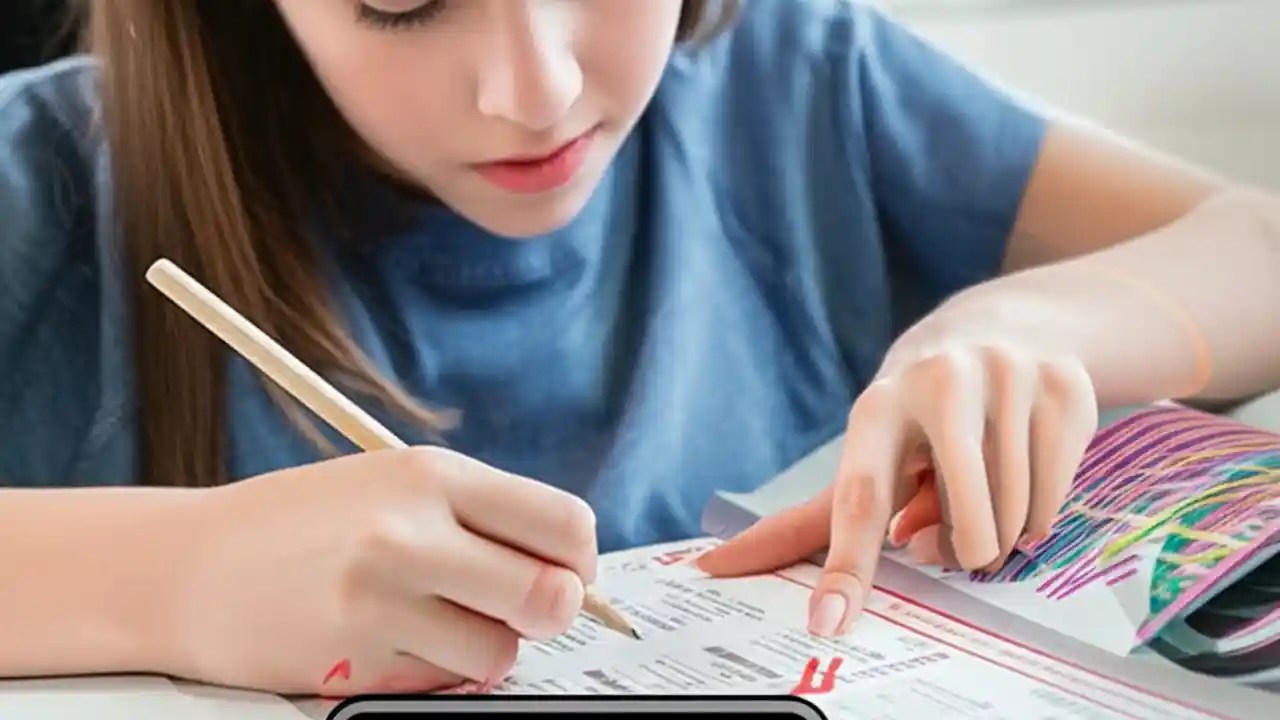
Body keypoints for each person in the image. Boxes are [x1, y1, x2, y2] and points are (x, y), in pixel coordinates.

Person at [2, 0, 1279, 698]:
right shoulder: (43, 184)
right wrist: (170, 575)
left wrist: (1032, 322)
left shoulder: (795, 76)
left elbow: (1257, 245)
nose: (536, 87)